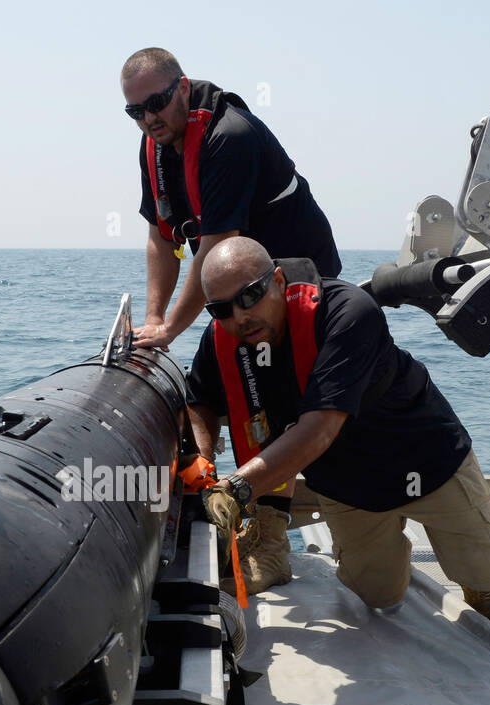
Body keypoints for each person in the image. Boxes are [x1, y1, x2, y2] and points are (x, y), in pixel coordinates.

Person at [186, 237, 490, 621]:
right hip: (348, 483)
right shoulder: (223, 338)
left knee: (489, 575)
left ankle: (481, 561)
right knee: (378, 595)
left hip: (426, 460)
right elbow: (200, 401)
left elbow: (321, 429)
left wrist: (235, 490)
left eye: (249, 296)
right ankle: (394, 547)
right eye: (221, 309)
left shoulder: (348, 312)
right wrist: (204, 468)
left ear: (277, 281)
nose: (239, 317)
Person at [120, 46, 342, 592]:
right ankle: (216, 497)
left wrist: (172, 328)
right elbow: (161, 235)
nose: (149, 118)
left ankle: (269, 541)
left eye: (155, 103)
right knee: (200, 394)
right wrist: (153, 321)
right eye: (135, 111)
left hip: (290, 277)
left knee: (265, 395)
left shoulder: (229, 136)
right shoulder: (156, 144)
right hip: (229, 285)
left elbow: (216, 245)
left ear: (182, 87)